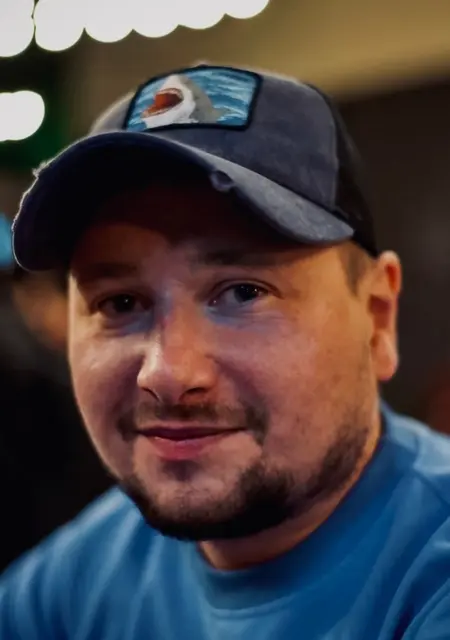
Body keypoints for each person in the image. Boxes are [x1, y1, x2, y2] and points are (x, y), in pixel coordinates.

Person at [1, 63, 450, 639]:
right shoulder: (66, 587)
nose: (168, 372)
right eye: (120, 303)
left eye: (242, 293)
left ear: (377, 318)